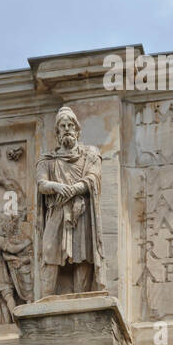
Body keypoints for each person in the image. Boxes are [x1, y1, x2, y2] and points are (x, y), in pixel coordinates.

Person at [35, 106, 106, 296]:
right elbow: (41, 183)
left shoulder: (90, 154)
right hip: (57, 210)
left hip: (79, 210)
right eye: (62, 126)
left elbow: (93, 177)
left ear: (77, 130)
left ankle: (81, 298)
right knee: (49, 251)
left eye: (70, 125)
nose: (67, 128)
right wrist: (57, 187)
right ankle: (45, 298)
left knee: (82, 253)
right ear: (57, 133)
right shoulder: (47, 159)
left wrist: (74, 189)